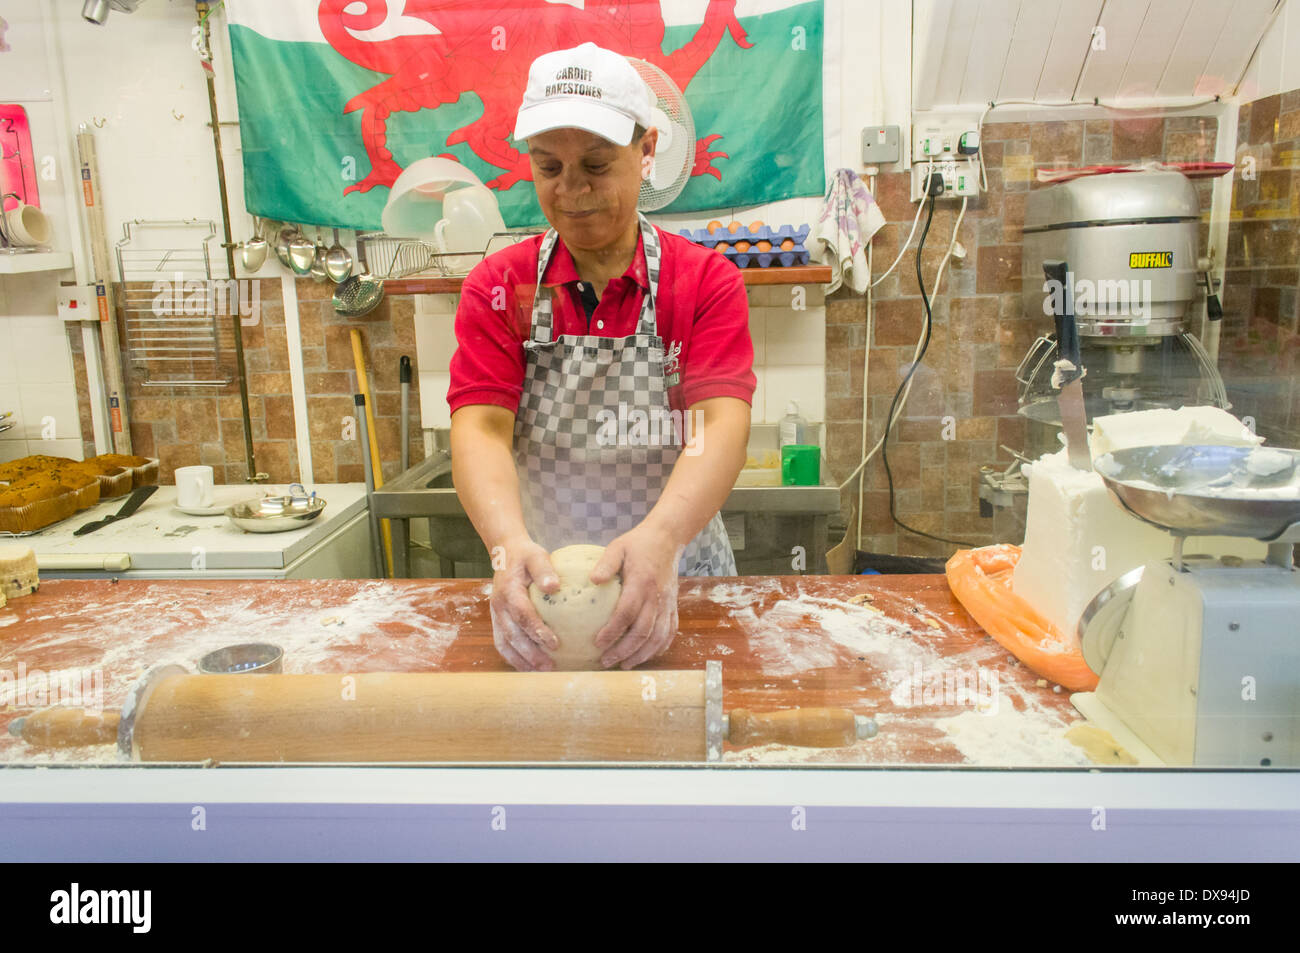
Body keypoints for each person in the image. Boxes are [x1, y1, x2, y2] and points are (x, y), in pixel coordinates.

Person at [448, 42, 754, 671]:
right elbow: (480, 428)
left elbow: (718, 424)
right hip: (549, 589)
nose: (573, 190)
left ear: (647, 152)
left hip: (680, 578)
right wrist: (507, 546)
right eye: (549, 167)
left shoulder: (703, 282)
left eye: (595, 163)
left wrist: (663, 541)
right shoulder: (498, 287)